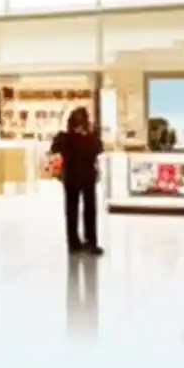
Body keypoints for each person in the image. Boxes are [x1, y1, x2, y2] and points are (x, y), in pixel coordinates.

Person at [50, 107, 103, 256]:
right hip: (87, 178)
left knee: (71, 211)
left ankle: (73, 243)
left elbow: (54, 148)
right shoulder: (90, 138)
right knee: (89, 211)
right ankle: (91, 242)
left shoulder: (64, 138)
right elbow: (99, 148)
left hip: (71, 178)